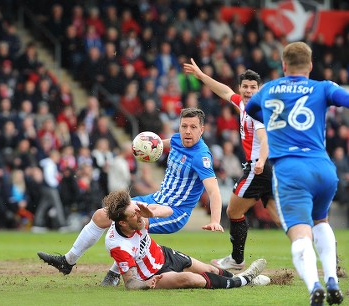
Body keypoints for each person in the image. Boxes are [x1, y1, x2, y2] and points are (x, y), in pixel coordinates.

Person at [37, 108, 225, 286]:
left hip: (174, 212)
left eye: (193, 127)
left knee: (130, 224)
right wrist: (145, 145)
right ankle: (68, 261)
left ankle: (114, 274)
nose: (188, 131)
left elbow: (214, 191)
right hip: (156, 199)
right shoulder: (177, 140)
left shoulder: (201, 156)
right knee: (102, 215)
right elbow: (158, 144)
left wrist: (215, 220)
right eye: (184, 126)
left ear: (202, 129)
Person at [245, 41, 346, 306]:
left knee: (300, 234)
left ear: (284, 65)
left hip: (291, 170)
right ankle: (332, 280)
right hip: (324, 169)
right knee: (321, 222)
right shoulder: (323, 87)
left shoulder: (268, 89)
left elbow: (249, 109)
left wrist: (277, 120)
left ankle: (314, 285)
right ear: (310, 65)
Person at [183, 60, 280, 270]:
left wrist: (261, 161)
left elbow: (265, 139)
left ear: (259, 89)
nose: (248, 90)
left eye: (253, 87)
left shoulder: (258, 111)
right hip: (266, 168)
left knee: (233, 212)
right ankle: (318, 240)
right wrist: (201, 76)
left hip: (259, 167)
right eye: (245, 86)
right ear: (240, 88)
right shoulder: (243, 104)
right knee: (280, 217)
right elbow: (224, 91)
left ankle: (236, 260)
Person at [103, 190, 269, 290]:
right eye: (134, 215)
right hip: (153, 275)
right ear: (123, 222)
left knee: (209, 269)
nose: (139, 215)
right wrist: (146, 284)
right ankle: (245, 280)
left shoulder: (135, 209)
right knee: (192, 279)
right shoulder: (118, 245)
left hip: (164, 254)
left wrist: (153, 214)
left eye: (137, 211)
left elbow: (168, 211)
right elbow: (130, 283)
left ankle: (242, 279)